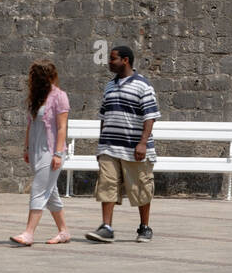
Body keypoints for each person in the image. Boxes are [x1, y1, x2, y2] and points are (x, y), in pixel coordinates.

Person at [86, 45, 159, 244]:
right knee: (106, 185)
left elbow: (150, 116)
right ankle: (106, 227)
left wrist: (142, 143)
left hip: (134, 148)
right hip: (110, 147)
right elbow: (104, 116)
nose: (109, 62)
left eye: (113, 59)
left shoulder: (143, 85)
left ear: (125, 60)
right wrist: (101, 144)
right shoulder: (109, 86)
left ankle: (144, 227)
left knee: (141, 188)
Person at [11, 60, 71, 246]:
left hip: (51, 151)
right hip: (36, 150)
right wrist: (26, 148)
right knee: (50, 192)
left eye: (38, 76)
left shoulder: (59, 96)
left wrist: (58, 154)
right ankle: (64, 232)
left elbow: (62, 127)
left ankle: (28, 233)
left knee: (38, 189)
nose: (34, 80)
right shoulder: (36, 97)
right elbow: (31, 124)